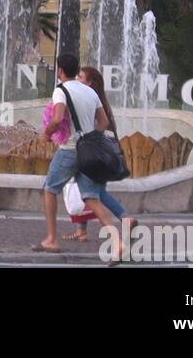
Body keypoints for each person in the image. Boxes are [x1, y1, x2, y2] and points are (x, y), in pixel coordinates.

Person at [33, 53, 122, 256]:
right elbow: (104, 122)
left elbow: (57, 118)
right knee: (91, 198)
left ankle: (52, 239)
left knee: (50, 189)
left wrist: (46, 134)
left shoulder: (61, 90)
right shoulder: (90, 92)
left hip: (69, 150)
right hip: (88, 153)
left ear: (61, 70)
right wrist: (90, 137)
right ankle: (117, 242)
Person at [61, 66, 136, 242]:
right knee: (93, 192)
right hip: (98, 154)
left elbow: (100, 125)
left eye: (80, 77)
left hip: (92, 155)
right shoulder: (98, 99)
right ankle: (83, 230)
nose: (77, 79)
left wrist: (87, 139)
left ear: (90, 82)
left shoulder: (90, 100)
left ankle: (125, 220)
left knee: (91, 192)